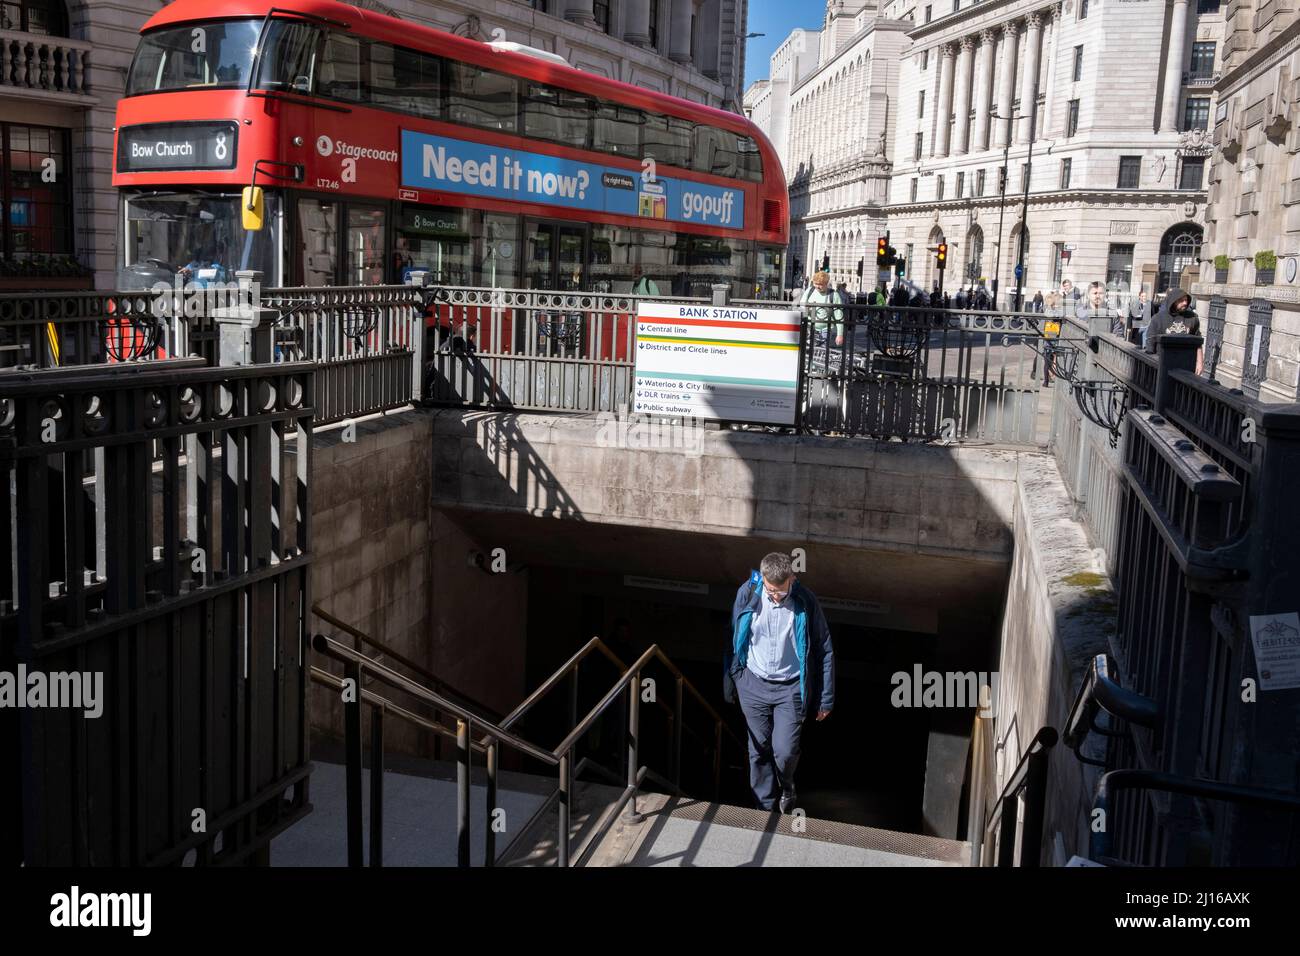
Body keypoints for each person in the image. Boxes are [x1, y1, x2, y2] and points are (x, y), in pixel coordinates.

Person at [726, 552, 834, 813]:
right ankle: (764, 807)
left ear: (792, 579)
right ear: (762, 579)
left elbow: (824, 648)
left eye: (781, 591)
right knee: (758, 749)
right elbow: (733, 637)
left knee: (784, 751)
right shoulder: (748, 592)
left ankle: (787, 785)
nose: (775, 596)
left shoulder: (805, 601)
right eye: (771, 590)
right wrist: (732, 679)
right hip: (752, 682)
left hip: (790, 688)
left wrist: (825, 697)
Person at [1145, 287, 1203, 373]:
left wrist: (1200, 362)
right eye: (1181, 300)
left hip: (1186, 365)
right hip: (1163, 365)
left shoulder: (1192, 317)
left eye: (1186, 300)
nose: (1185, 303)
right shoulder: (1158, 319)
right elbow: (1150, 344)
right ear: (1173, 300)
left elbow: (1198, 342)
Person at [798, 270, 848, 346]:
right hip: (809, 328)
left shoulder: (834, 295)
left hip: (826, 329)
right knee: (808, 352)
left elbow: (839, 316)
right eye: (815, 284)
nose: (818, 286)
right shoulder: (809, 291)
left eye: (820, 284)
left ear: (826, 284)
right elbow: (801, 307)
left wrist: (840, 334)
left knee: (822, 353)